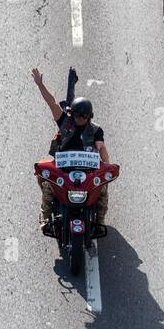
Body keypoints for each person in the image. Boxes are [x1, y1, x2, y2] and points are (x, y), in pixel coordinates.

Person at [31, 68, 110, 233]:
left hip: (87, 173)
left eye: (84, 116)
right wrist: (40, 84)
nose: (80, 119)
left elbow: (101, 148)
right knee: (47, 185)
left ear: (89, 116)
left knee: (103, 188)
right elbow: (51, 102)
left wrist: (106, 167)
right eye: (77, 115)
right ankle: (45, 218)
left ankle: (100, 220)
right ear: (72, 114)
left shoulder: (96, 130)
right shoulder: (64, 122)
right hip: (63, 172)